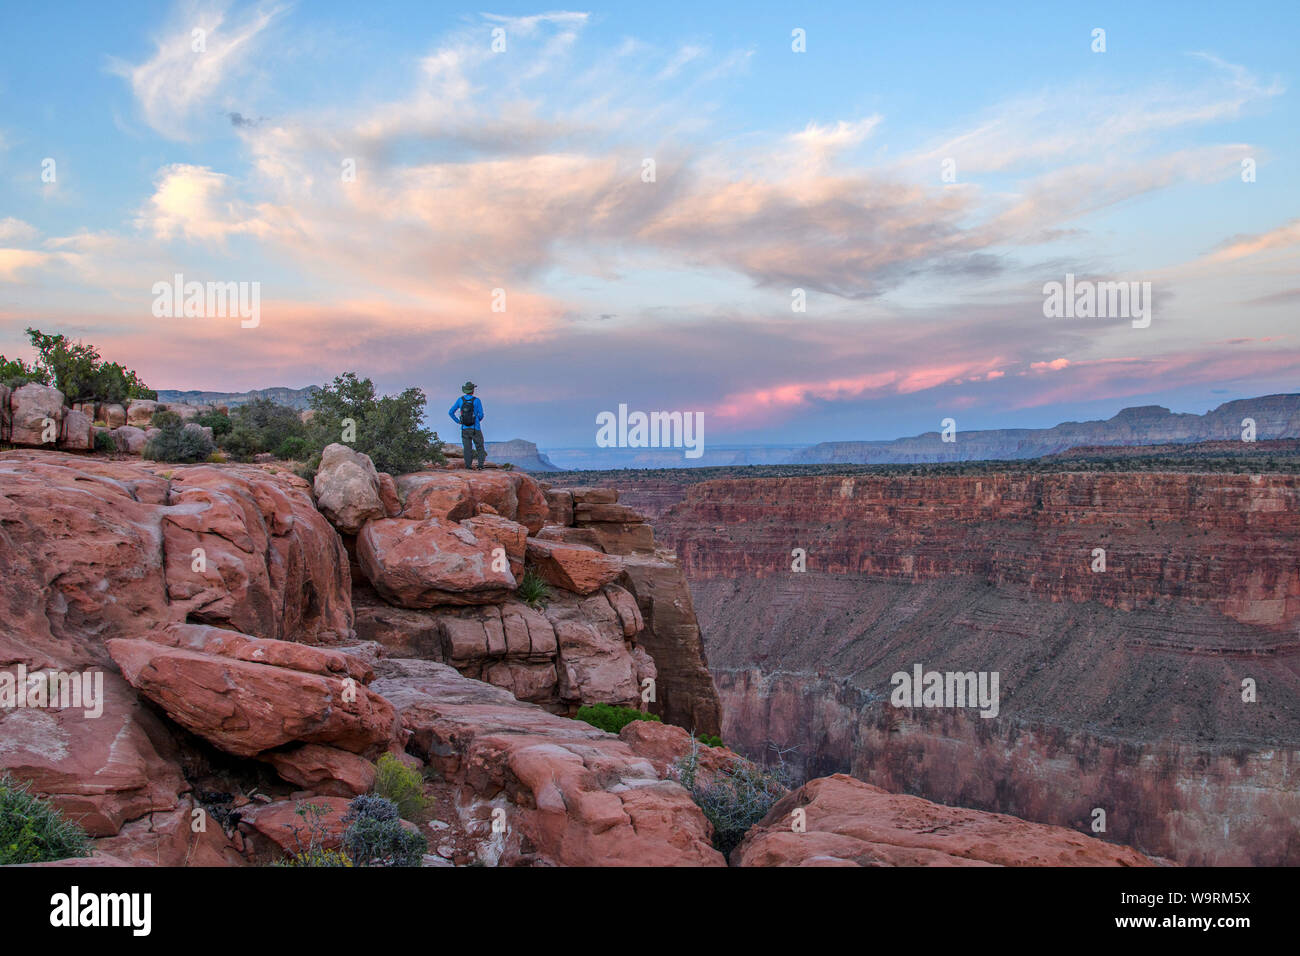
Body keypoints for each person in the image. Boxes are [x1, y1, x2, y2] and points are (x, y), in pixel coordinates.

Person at [448, 381, 486, 469]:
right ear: (473, 390)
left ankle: (468, 466)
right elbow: (481, 415)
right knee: (480, 446)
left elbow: (450, 412)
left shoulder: (460, 400)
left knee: (467, 448)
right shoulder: (477, 400)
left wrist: (458, 421)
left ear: (465, 390)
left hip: (464, 428)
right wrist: (476, 421)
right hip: (475, 428)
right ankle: (480, 466)